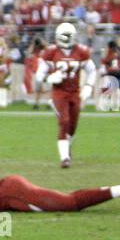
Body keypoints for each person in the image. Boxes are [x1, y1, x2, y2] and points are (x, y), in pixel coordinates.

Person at [34, 22, 96, 167]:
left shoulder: (81, 51)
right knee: (64, 122)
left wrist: (88, 86)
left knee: (72, 126)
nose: (67, 39)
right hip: (59, 92)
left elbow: (91, 70)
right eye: (65, 36)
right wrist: (49, 78)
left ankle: (67, 149)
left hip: (75, 92)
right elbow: (38, 75)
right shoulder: (50, 52)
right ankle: (65, 158)